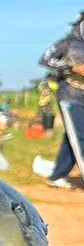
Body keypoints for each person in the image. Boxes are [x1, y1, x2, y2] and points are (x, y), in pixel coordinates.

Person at [41, 10, 84, 189]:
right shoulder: (67, 44)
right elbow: (45, 59)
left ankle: (57, 175)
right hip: (70, 96)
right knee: (81, 137)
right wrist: (72, 65)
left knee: (73, 136)